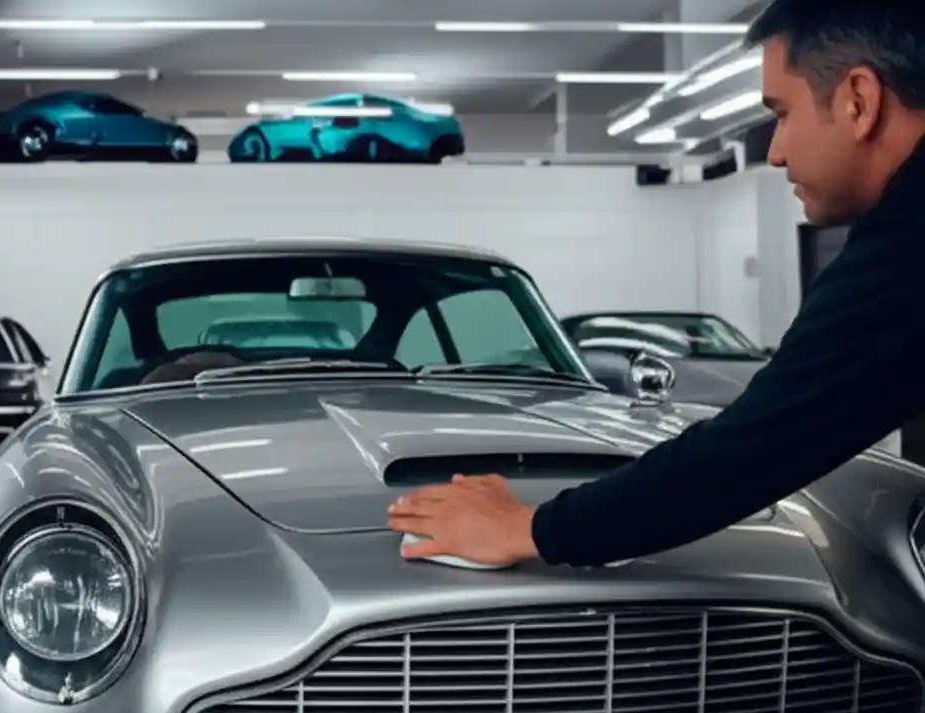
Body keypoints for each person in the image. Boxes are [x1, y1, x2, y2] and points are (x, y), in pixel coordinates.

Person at [387, 0, 925, 568]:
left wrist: (531, 528)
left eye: (781, 114)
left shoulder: (910, 240)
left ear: (858, 101)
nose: (774, 151)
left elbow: (762, 446)